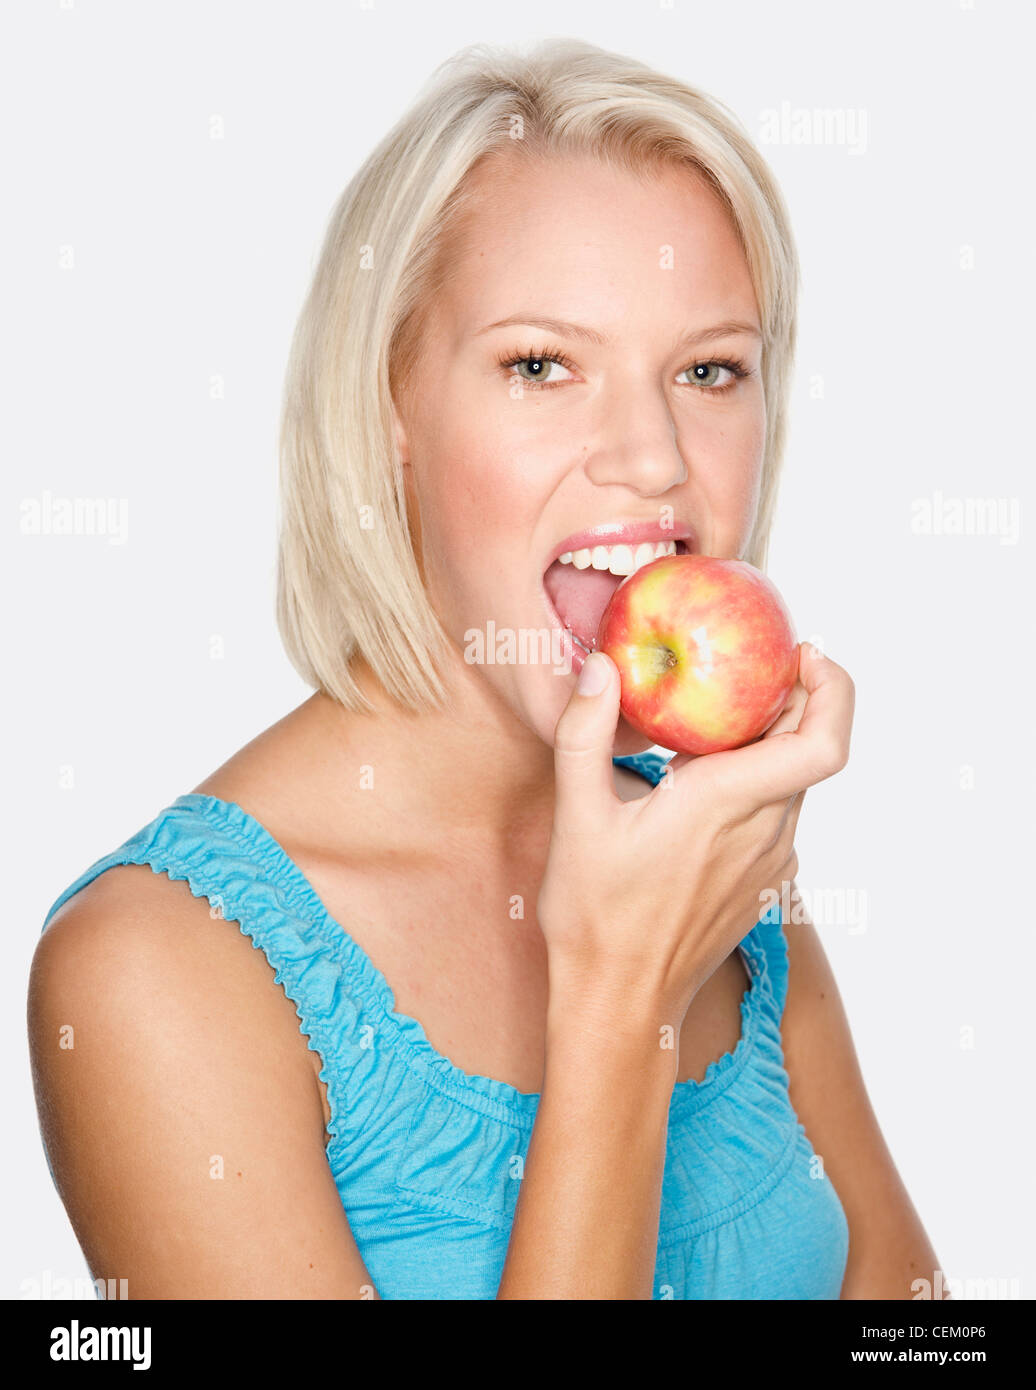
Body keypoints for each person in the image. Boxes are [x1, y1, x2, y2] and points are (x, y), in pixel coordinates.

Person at [28, 38, 942, 1300]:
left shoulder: (704, 856)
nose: (652, 457)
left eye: (708, 370)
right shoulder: (155, 972)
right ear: (388, 407)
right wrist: (622, 998)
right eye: (538, 365)